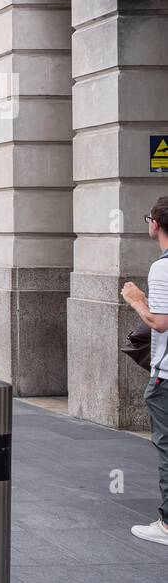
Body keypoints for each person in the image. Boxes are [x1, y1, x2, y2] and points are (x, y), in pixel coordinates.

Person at [121, 197, 168, 546]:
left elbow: (160, 322)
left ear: (155, 224)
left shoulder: (162, 268)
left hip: (166, 375)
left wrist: (135, 298)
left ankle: (166, 524)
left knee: (167, 449)